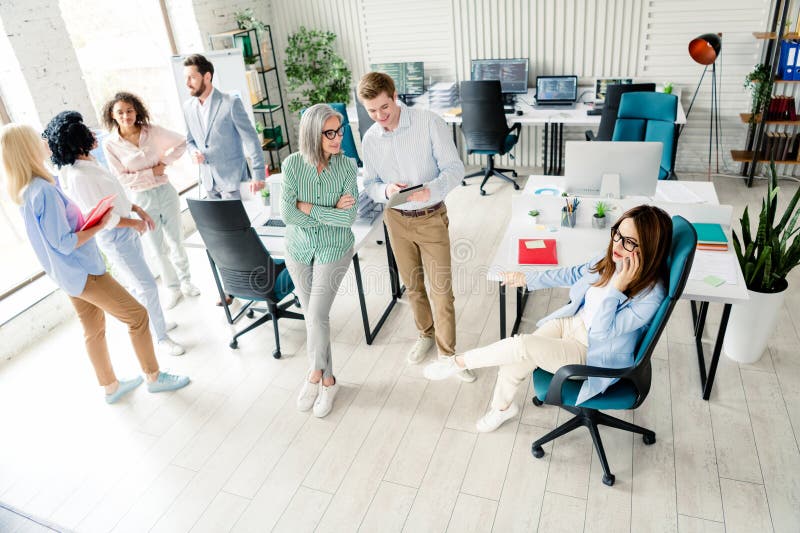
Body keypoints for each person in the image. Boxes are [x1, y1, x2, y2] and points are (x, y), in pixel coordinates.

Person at [424, 205, 673, 432]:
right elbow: (574, 274)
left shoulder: (651, 295)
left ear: (649, 248)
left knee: (521, 345)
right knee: (514, 360)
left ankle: (457, 363)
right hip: (572, 322)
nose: (617, 245)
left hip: (593, 350)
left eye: (629, 241)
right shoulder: (612, 257)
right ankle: (502, 408)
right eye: (617, 233)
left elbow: (601, 332)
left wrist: (616, 289)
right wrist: (526, 279)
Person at [0, 123, 190, 403]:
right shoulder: (44, 190)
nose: (44, 142)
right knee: (137, 316)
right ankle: (154, 376)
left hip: (65, 276)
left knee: (93, 328)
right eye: (36, 139)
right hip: (83, 271)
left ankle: (110, 386)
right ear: (27, 149)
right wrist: (99, 224)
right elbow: (64, 242)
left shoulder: (28, 191)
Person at [358, 72, 473, 381]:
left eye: (384, 107)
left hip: (431, 217)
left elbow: (455, 168)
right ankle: (425, 334)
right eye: (372, 111)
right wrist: (385, 191)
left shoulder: (427, 122)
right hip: (396, 220)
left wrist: (430, 190)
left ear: (394, 96)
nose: (380, 116)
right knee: (413, 286)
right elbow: (369, 183)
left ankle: (448, 354)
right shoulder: (370, 139)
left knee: (441, 291)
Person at [43, 111, 185, 358]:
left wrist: (136, 208)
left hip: (126, 230)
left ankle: (156, 324)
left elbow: (113, 194)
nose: (91, 132)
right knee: (146, 286)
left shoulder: (90, 163)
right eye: (85, 129)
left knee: (143, 285)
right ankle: (160, 338)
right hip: (116, 238)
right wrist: (133, 223)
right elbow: (101, 218)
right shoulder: (78, 175)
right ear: (77, 138)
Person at [282, 104, 357, 418]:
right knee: (317, 319)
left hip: (335, 249)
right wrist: (330, 213)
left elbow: (349, 218)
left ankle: (313, 373)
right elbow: (287, 214)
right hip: (298, 250)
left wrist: (309, 208)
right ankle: (329, 381)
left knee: (315, 315)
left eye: (339, 131)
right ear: (313, 134)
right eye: (330, 133)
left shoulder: (347, 166)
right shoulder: (292, 165)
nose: (338, 138)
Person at [101, 91, 201, 310]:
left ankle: (186, 281)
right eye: (120, 112)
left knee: (176, 240)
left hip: (165, 192)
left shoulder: (152, 131)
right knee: (156, 247)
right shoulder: (110, 145)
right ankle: (172, 288)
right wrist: (150, 173)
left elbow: (183, 142)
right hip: (141, 199)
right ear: (112, 115)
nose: (126, 116)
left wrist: (164, 163)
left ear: (136, 111)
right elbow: (121, 178)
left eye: (129, 111)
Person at [181, 53, 265, 200]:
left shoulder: (230, 103)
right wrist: (194, 152)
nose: (187, 83)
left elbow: (251, 140)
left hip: (234, 182)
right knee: (218, 224)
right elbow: (190, 141)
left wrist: (258, 175)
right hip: (209, 183)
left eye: (192, 78)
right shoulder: (188, 107)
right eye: (186, 78)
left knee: (240, 223)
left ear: (207, 77)